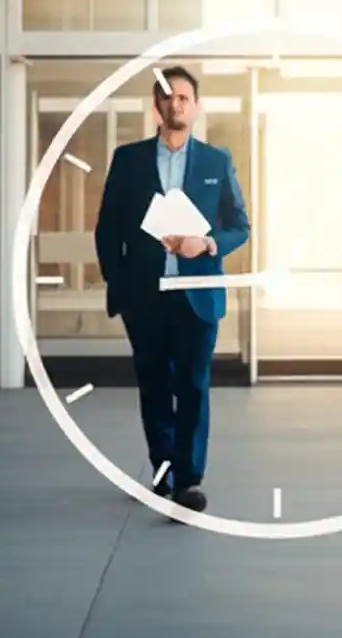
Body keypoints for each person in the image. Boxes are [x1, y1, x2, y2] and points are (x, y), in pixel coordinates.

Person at [94, 65, 250, 513]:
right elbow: (108, 229)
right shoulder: (128, 160)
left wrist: (209, 243)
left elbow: (240, 227)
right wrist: (119, 284)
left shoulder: (216, 162)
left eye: (184, 97)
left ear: (195, 107)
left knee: (193, 385)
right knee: (154, 386)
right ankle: (163, 472)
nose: (176, 103)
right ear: (157, 106)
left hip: (197, 293)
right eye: (168, 97)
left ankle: (189, 480)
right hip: (144, 296)